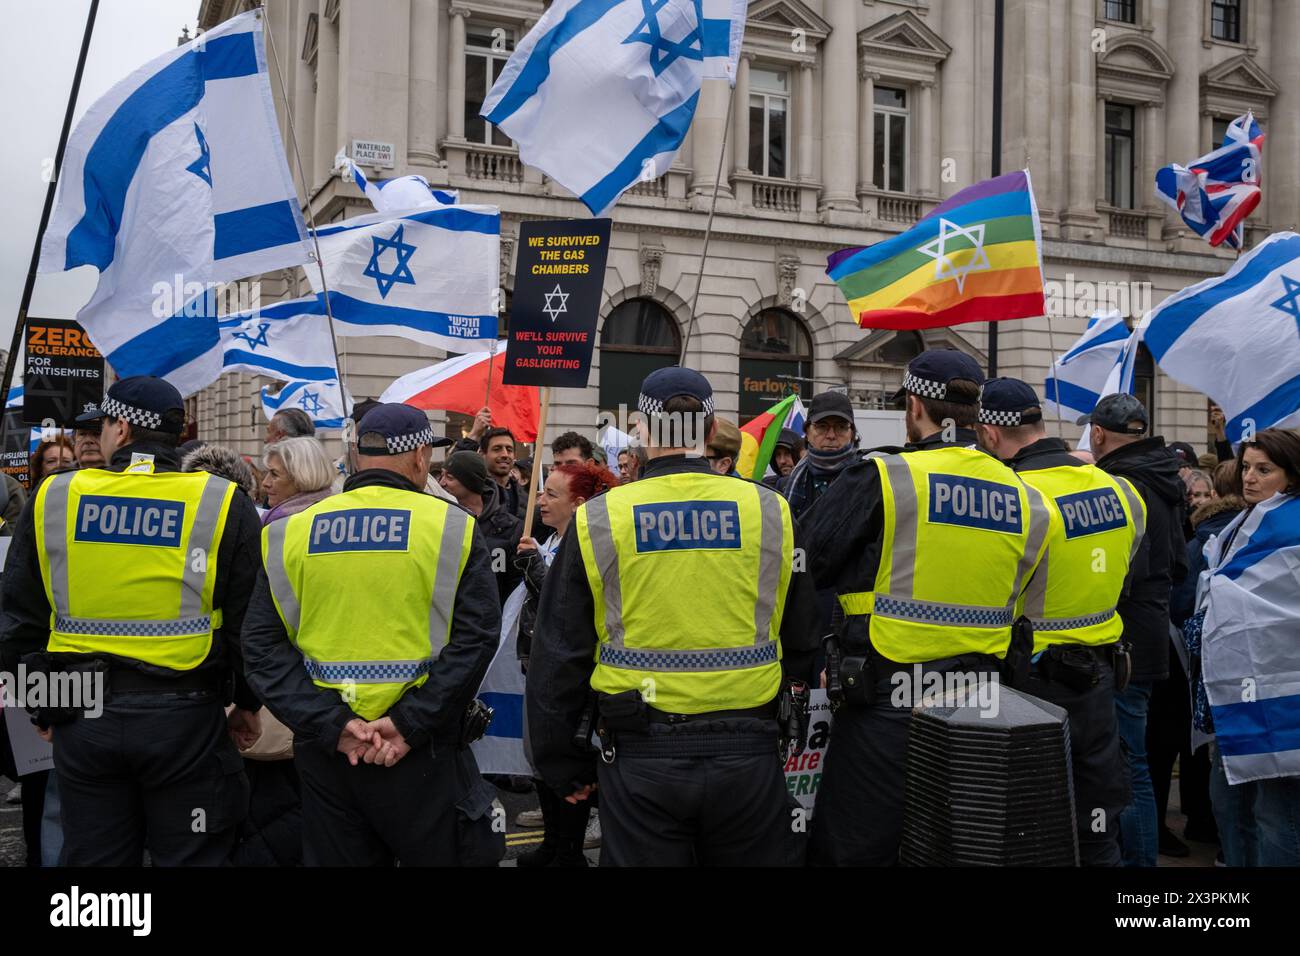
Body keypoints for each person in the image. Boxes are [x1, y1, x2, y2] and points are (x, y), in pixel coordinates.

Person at [528, 367, 817, 866]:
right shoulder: (770, 509)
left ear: (642, 429)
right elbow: (803, 633)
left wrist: (564, 764)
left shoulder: (600, 517)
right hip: (748, 748)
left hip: (641, 753)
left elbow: (558, 654)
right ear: (709, 432)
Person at [0, 376, 263, 865]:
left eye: (100, 425)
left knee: (94, 859)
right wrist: (247, 703)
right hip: (187, 719)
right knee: (192, 851)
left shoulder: (55, 497)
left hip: (83, 716)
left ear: (121, 430)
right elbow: (248, 622)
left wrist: (41, 704)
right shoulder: (222, 501)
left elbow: (19, 618)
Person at [801, 351, 1051, 866]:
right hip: (982, 705)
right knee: (960, 847)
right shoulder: (1028, 497)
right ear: (978, 414)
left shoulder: (886, 477)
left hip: (887, 701)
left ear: (914, 406)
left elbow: (806, 561)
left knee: (855, 848)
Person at [241, 403, 504, 866]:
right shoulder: (451, 527)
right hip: (423, 750)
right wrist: (408, 723)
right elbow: (477, 639)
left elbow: (262, 649)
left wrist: (333, 725)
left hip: (330, 755)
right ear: (421, 456)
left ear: (358, 456)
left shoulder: (288, 532)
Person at [975, 378, 1146, 866]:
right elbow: (1127, 578)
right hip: (1100, 680)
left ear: (989, 434)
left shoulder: (1013, 497)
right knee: (1096, 824)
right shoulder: (1122, 491)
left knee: (1027, 827)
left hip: (1028, 684)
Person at [1081, 393, 1188, 868]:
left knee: (1125, 764)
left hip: (1123, 639)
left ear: (1099, 435)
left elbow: (1125, 571)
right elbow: (1177, 565)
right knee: (1132, 760)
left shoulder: (1123, 484)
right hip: (1148, 634)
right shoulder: (1163, 477)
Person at [1191, 428, 1300, 866]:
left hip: (1281, 693)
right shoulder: (1242, 520)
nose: (1249, 478)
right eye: (1246, 468)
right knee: (1229, 803)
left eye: (1264, 470)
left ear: (1290, 476)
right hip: (1231, 687)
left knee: (1276, 814)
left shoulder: (1290, 524)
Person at [513, 460, 620, 867]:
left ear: (579, 505)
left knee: (566, 761)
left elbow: (567, 613)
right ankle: (553, 844)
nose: (540, 500)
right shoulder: (551, 541)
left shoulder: (587, 547)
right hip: (536, 665)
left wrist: (537, 573)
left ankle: (569, 852)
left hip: (569, 677)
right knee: (540, 762)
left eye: (551, 494)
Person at [441, 450, 523, 602]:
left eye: (449, 477)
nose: (442, 482)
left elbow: (516, 588)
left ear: (469, 481)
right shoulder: (441, 521)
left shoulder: (511, 527)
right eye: (442, 475)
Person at [778, 391, 862, 519]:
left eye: (841, 427)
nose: (831, 435)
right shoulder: (788, 484)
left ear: (852, 433)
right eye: (822, 427)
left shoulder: (868, 478)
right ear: (807, 432)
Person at [261, 437, 337, 526]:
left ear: (303, 476)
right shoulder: (336, 511)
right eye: (267, 473)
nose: (265, 483)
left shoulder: (282, 521)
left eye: (275, 474)